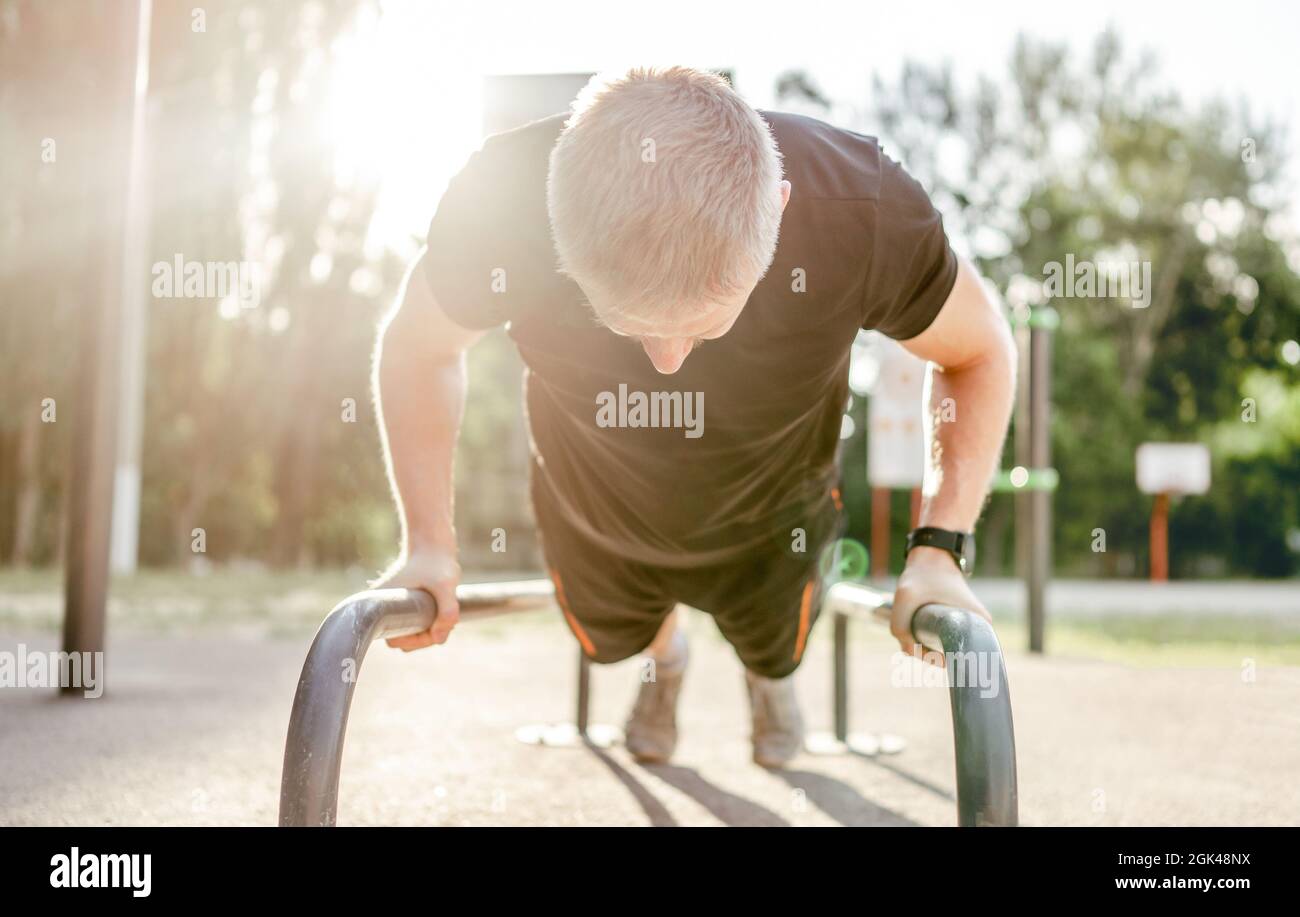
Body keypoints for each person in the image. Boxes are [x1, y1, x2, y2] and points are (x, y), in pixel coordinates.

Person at [371, 67, 1015, 768]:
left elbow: (979, 351)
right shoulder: (506, 203)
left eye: (702, 329)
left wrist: (939, 547)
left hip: (774, 514)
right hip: (595, 503)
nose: (670, 362)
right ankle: (666, 659)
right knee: (610, 640)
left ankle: (766, 677)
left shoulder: (858, 209)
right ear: (556, 231)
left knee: (778, 645)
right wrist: (429, 541)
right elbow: (419, 346)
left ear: (781, 206)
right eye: (632, 326)